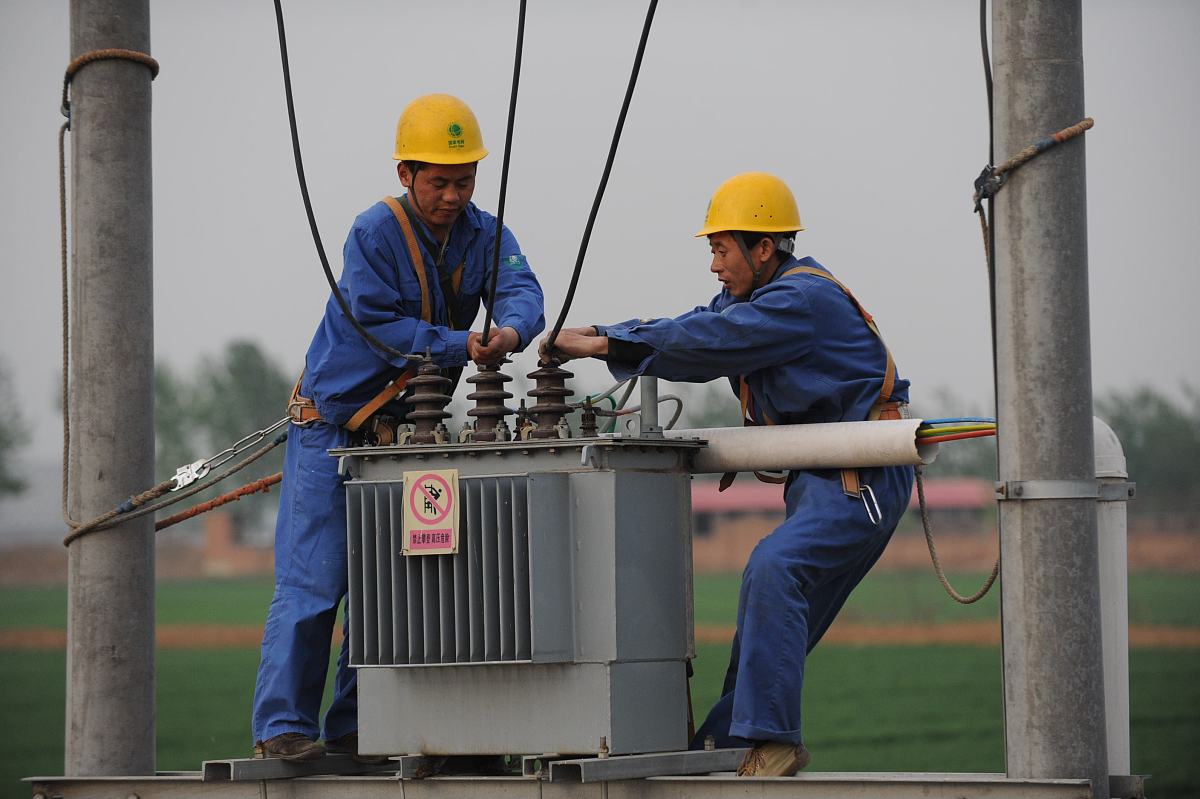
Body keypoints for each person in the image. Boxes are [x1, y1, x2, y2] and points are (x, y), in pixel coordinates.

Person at [541, 172, 912, 777]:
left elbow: (711, 341)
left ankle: (771, 740)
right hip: (822, 475)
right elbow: (696, 323)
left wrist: (605, 345)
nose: (714, 265)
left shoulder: (800, 301)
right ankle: (724, 744)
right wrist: (606, 334)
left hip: (860, 475)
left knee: (775, 569)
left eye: (720, 249)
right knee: (766, 603)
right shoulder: (753, 300)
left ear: (763, 248)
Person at [252, 94, 546, 762]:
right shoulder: (373, 233)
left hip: (405, 438)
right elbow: (373, 322)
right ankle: (282, 726)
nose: (451, 194)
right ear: (405, 175)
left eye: (463, 179)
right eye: (438, 180)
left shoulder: (487, 235)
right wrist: (457, 344)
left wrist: (510, 329)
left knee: (390, 589)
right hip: (333, 428)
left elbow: (523, 289)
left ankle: (359, 729)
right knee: (316, 581)